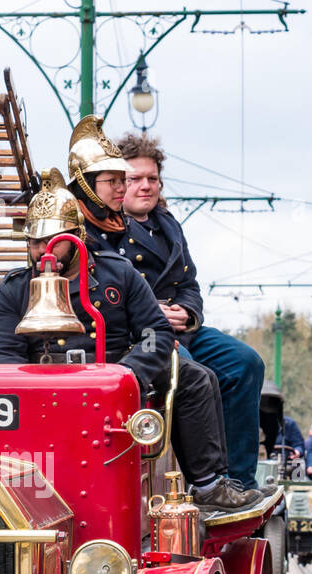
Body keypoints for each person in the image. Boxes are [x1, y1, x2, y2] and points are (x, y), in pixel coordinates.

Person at [0, 168, 260, 515]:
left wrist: (125, 375)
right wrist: (32, 388)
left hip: (116, 372)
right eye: (35, 241)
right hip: (44, 383)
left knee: (194, 378)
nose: (44, 250)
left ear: (77, 237)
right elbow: (5, 355)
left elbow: (155, 332)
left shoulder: (119, 274)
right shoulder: (14, 289)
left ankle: (207, 484)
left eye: (53, 240)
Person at [109, 131, 266, 492]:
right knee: (190, 373)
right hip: (143, 335)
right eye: (135, 179)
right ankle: (204, 481)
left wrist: (188, 312)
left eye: (152, 178)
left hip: (184, 328)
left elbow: (189, 283)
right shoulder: (105, 229)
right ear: (119, 183)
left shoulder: (168, 225)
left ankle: (238, 479)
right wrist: (155, 316)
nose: (145, 186)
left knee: (246, 363)